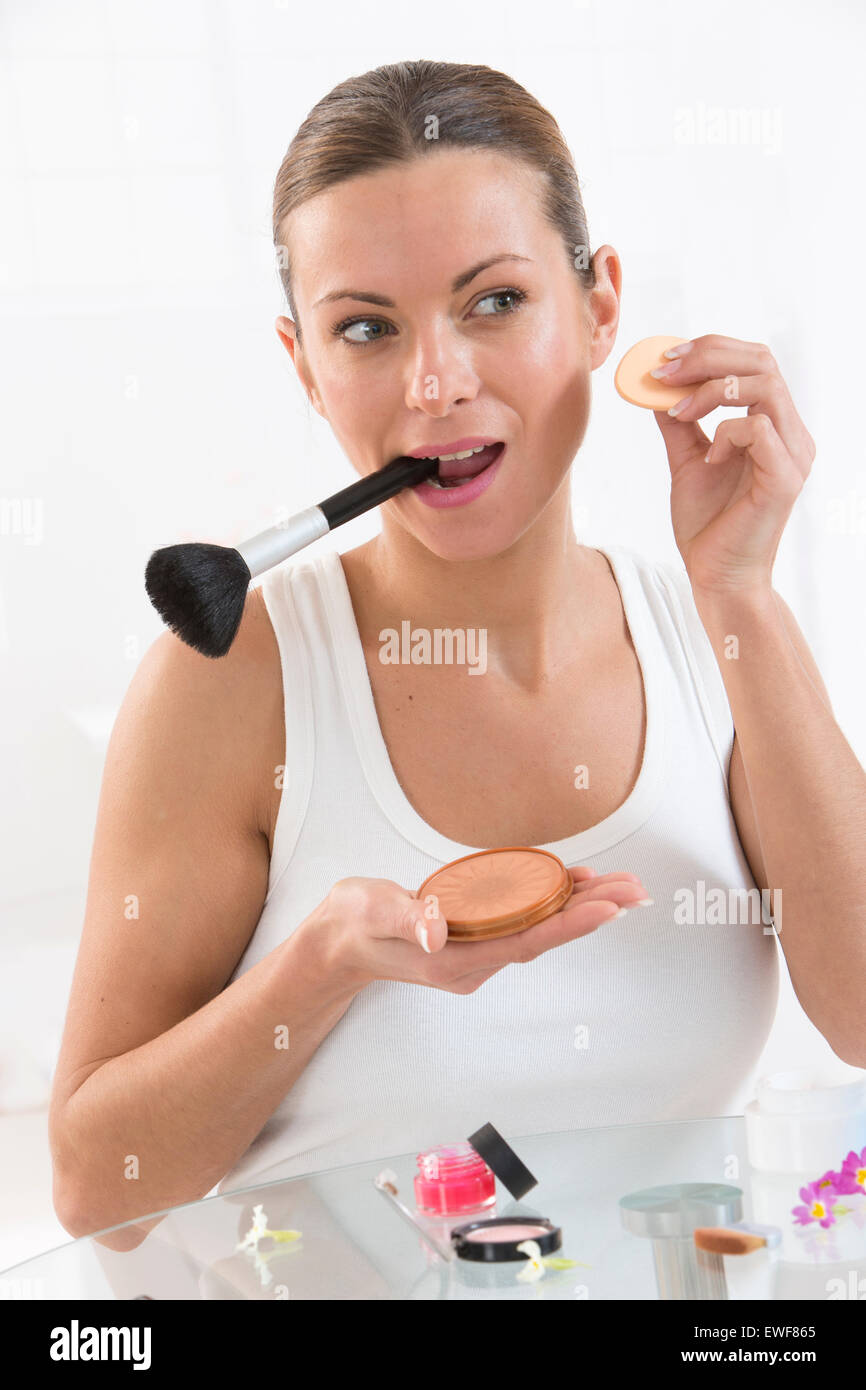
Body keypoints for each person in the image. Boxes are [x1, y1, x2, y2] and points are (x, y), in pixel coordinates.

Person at [50, 59, 842, 1253]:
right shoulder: (235, 676)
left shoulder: (713, 635)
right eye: (365, 328)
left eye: (492, 302)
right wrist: (314, 969)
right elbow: (95, 1193)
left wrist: (738, 592)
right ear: (302, 364)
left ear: (600, 306)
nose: (435, 383)